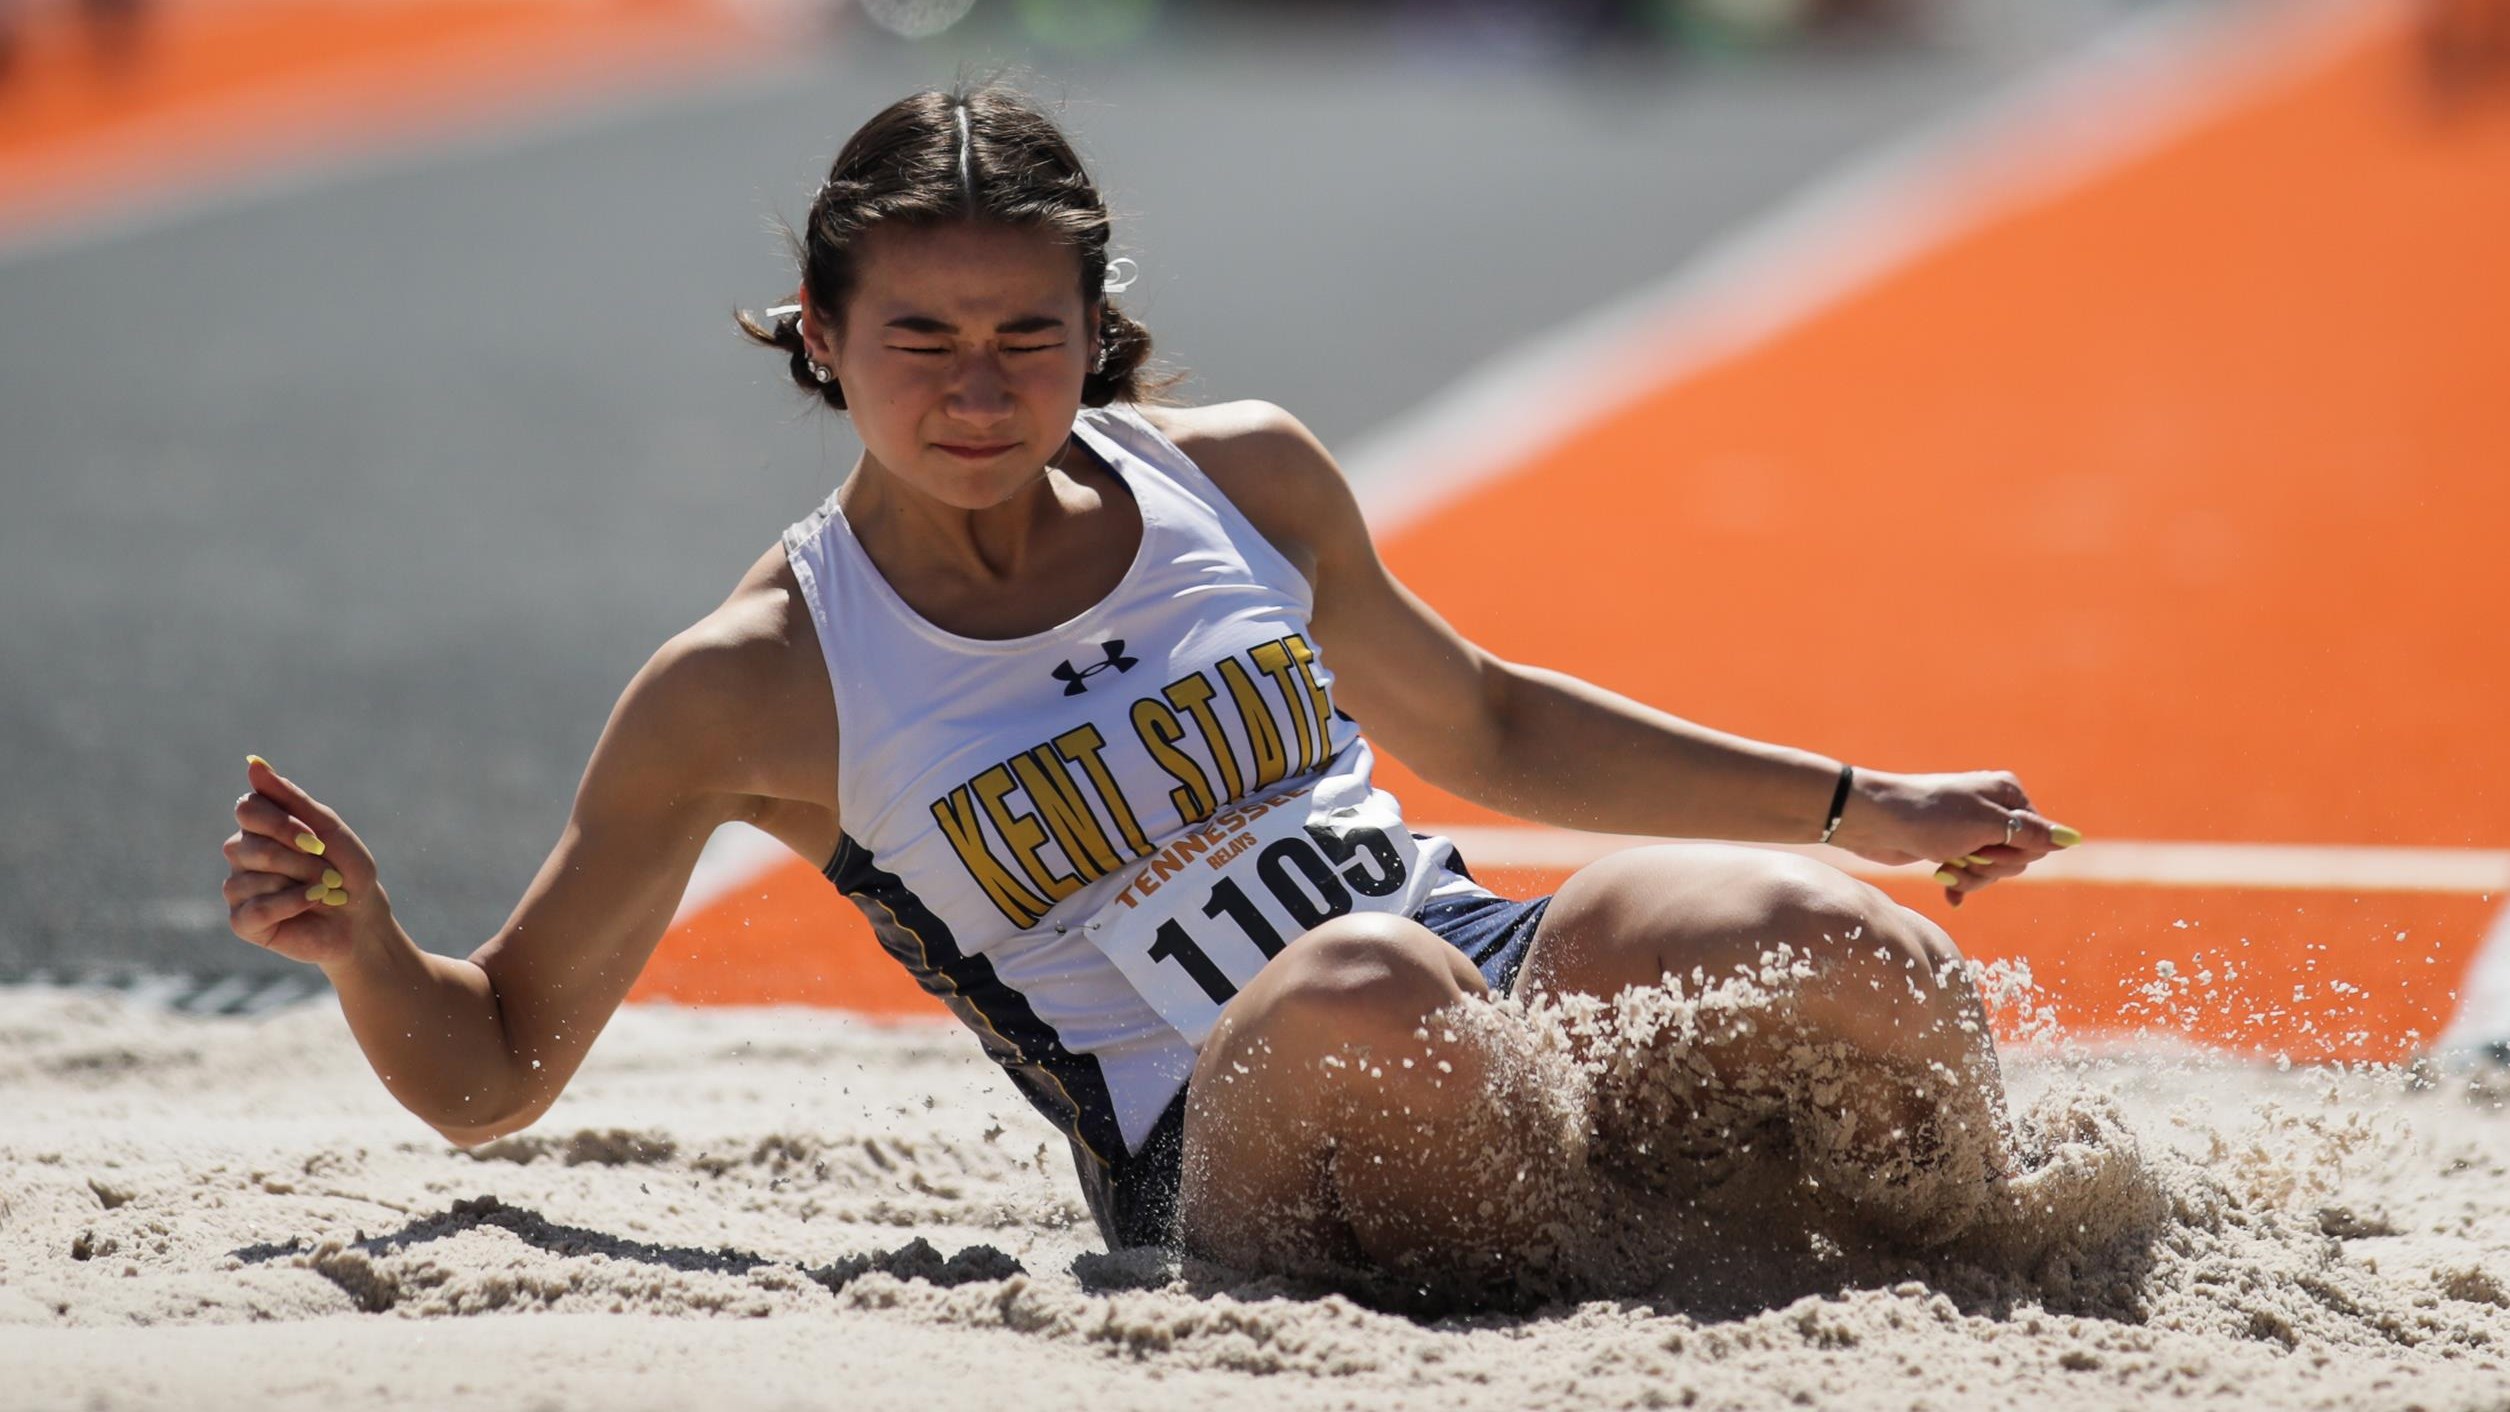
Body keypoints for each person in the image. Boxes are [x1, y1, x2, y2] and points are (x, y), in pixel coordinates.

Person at [220, 81, 2080, 1289]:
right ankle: (1613, 1279)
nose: (977, 387)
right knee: (1366, 991)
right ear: (820, 335)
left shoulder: (1240, 475)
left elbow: (1491, 725)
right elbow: (496, 1074)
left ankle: (1982, 1261)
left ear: (1094, 330)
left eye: (1029, 334)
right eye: (920, 339)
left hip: (1479, 983)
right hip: (1220, 1134)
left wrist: (1860, 806)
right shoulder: (758, 681)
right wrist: (372, 948)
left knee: (1824, 935)